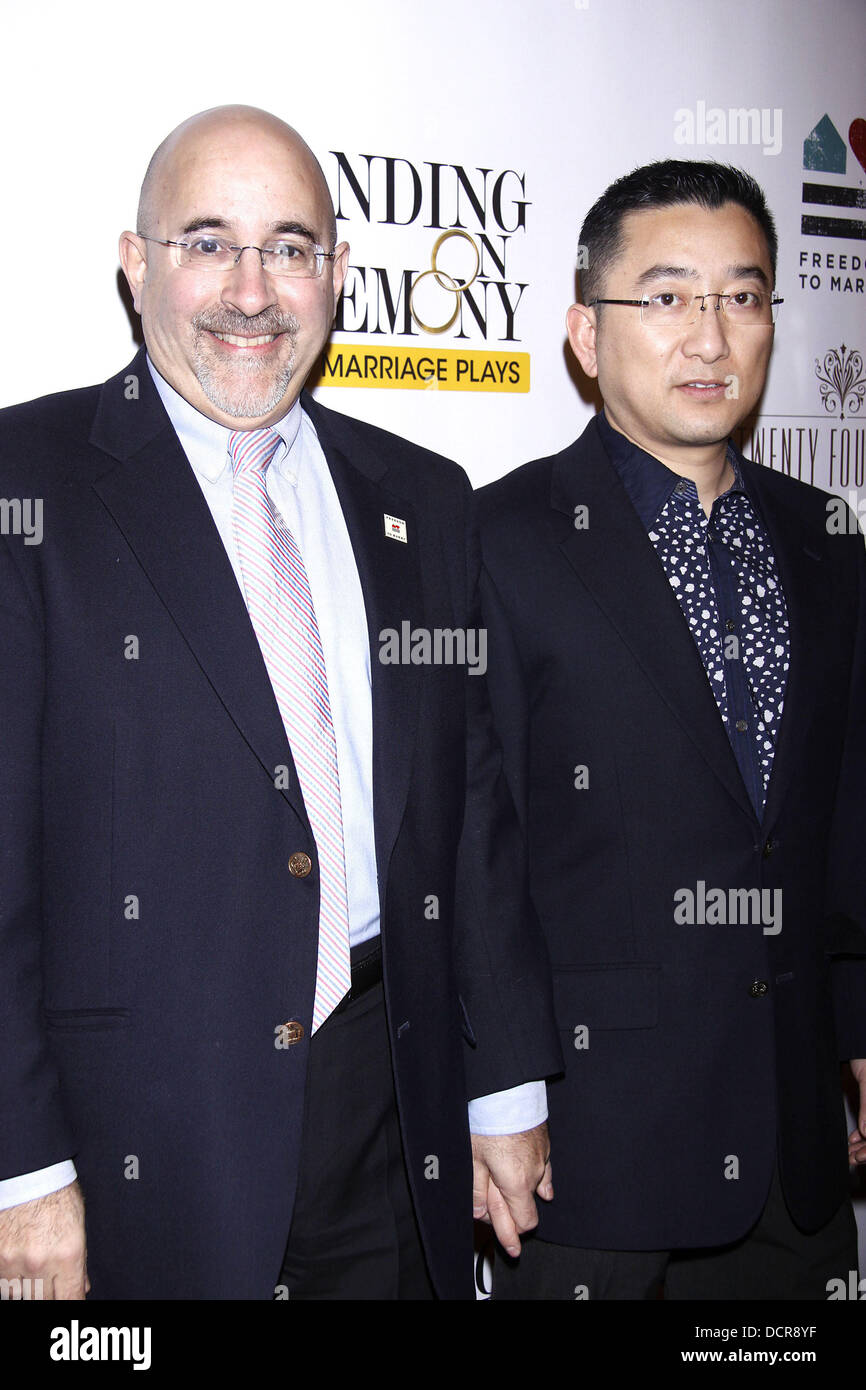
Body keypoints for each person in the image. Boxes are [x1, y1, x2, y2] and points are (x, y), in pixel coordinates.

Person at [0, 105, 561, 1301]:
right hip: (131, 1130)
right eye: (206, 241)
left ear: (339, 275)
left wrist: (503, 1082)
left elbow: (471, 814)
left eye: (291, 247)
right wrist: (20, 1166)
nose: (251, 291)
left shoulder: (421, 496)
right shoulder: (25, 485)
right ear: (133, 262)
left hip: (384, 1093)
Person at [478, 160, 866, 1300]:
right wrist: (499, 1091)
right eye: (664, 297)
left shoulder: (825, 536)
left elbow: (840, 810)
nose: (708, 336)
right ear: (584, 335)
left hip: (793, 1149)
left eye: (740, 298)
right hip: (590, 1154)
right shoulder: (497, 539)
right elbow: (471, 847)